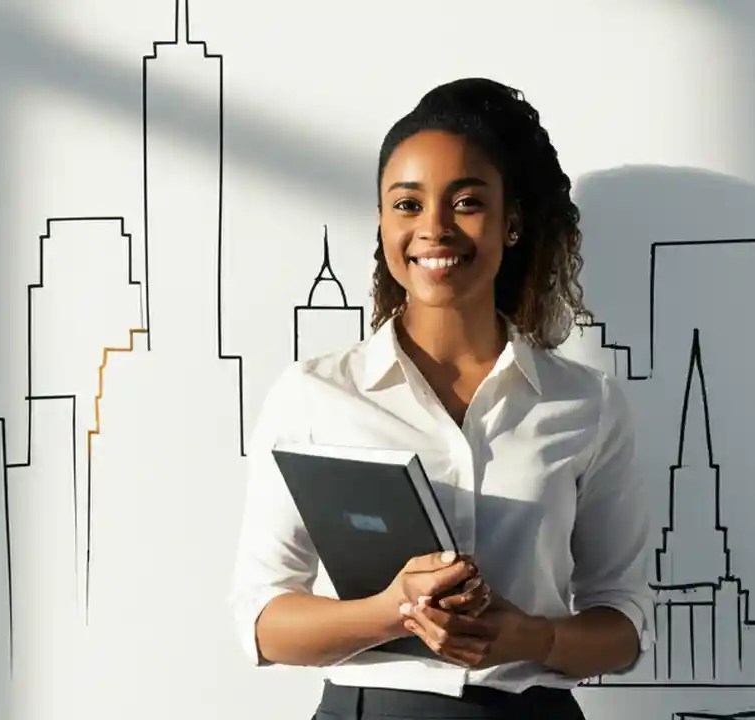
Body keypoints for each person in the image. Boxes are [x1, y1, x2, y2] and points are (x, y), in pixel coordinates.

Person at [229, 77, 652, 720]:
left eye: (465, 202)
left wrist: (530, 638)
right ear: (381, 221)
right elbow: (263, 619)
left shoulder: (585, 404)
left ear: (511, 223)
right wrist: (393, 609)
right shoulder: (314, 394)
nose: (434, 228)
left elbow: (622, 625)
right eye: (406, 204)